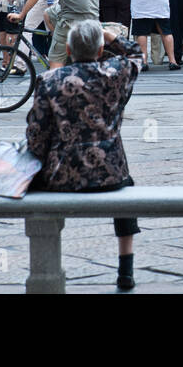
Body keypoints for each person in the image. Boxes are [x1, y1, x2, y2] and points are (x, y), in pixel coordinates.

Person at [25, 18, 145, 291]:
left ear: (68, 50)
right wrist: (109, 35)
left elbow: (36, 135)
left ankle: (45, 267)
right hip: (111, 174)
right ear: (101, 51)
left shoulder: (49, 80)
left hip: (61, 177)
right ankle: (125, 269)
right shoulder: (116, 74)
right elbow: (137, 53)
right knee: (127, 187)